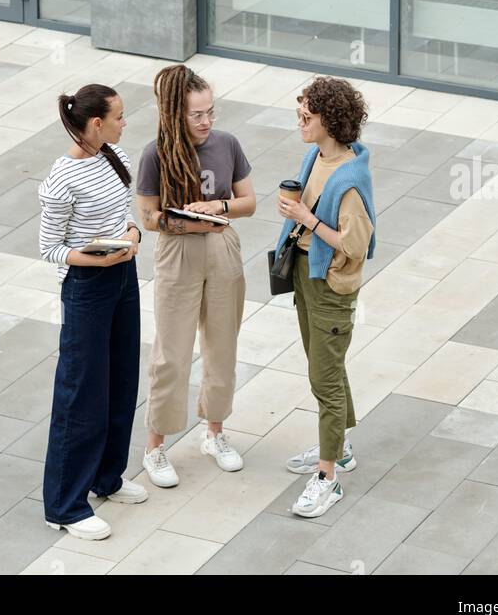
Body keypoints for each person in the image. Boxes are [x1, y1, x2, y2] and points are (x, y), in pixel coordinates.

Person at [136, 64, 256, 486]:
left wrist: (217, 209)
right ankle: (155, 447)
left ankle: (215, 433)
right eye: (196, 115)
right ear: (174, 113)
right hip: (178, 253)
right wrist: (183, 223)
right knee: (172, 352)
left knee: (222, 344)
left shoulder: (227, 144)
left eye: (210, 112)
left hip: (223, 248)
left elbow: (249, 202)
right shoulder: (155, 153)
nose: (206, 122)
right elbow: (148, 216)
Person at [40, 83, 144, 541]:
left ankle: (107, 479)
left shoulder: (110, 158)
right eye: (119, 116)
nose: (126, 123)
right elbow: (50, 250)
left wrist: (132, 233)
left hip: (123, 276)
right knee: (81, 394)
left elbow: (121, 215)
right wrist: (97, 257)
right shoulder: (62, 179)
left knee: (121, 380)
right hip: (87, 288)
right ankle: (64, 505)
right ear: (96, 123)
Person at [275, 76, 376, 519]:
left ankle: (327, 477)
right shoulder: (314, 155)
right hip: (305, 272)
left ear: (330, 122)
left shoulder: (349, 181)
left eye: (307, 117)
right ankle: (342, 446)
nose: (301, 122)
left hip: (330, 285)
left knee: (325, 378)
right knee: (325, 364)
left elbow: (355, 245)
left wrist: (304, 218)